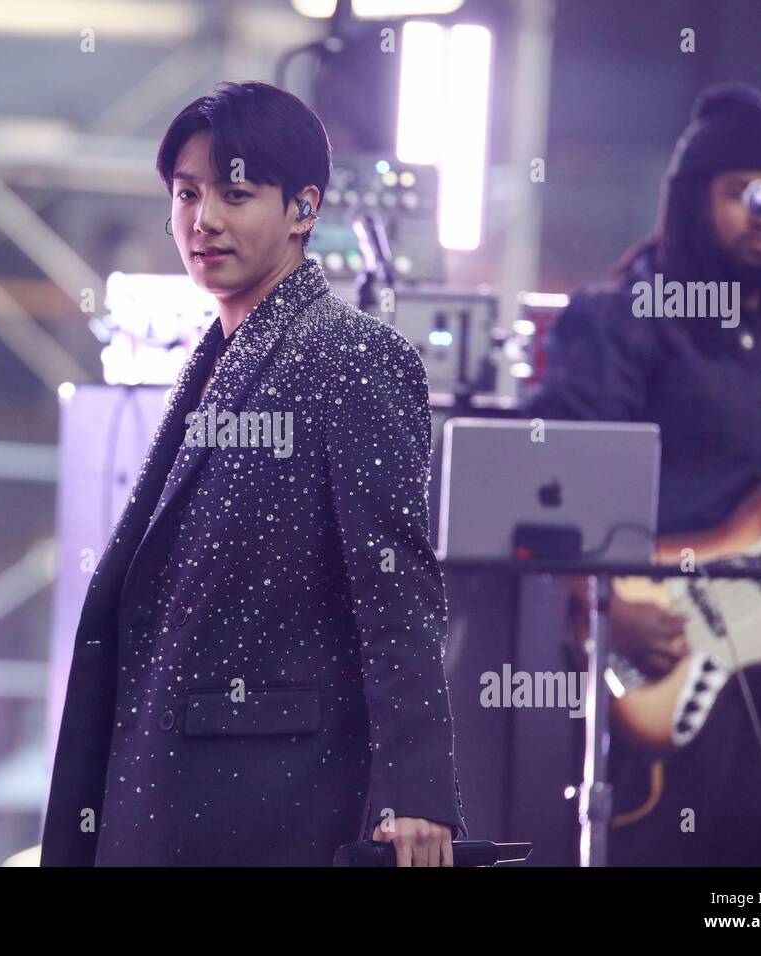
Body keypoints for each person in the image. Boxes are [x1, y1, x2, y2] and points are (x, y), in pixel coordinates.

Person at [40, 81, 466, 866]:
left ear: (304, 208)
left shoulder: (354, 356)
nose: (203, 220)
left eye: (235, 195)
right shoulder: (208, 360)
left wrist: (417, 792)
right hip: (163, 786)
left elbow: (397, 587)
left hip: (272, 802)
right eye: (187, 194)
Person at [527, 82, 761, 866]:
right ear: (692, 200)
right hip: (659, 634)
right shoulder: (626, 319)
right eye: (739, 193)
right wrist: (599, 597)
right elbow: (561, 466)